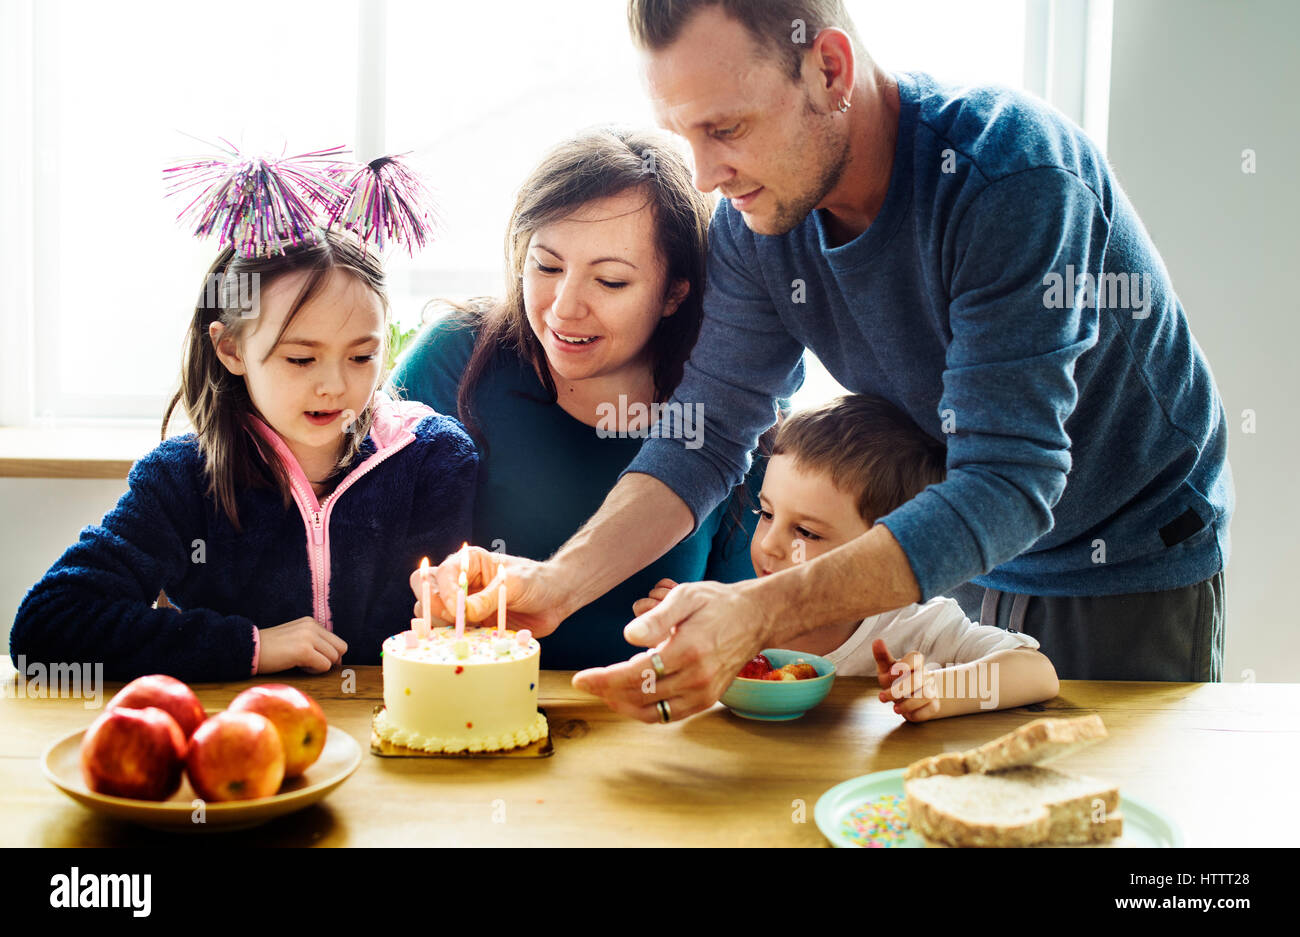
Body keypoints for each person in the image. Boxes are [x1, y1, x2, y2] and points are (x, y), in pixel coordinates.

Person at [422, 0, 1233, 723]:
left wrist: (757, 611)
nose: (704, 176)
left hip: (1129, 556)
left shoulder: (1010, 179)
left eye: (727, 128)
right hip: (963, 549)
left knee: (1108, 816)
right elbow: (702, 438)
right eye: (685, 136)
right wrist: (556, 587)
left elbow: (1009, 483)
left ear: (830, 67)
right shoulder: (754, 226)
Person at [10, 228, 478, 681]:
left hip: (393, 740)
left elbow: (458, 637)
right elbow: (45, 627)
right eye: (300, 358)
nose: (335, 387)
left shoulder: (434, 460)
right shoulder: (182, 479)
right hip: (231, 741)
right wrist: (250, 646)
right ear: (231, 349)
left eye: (361, 357)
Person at [392, 127, 765, 669]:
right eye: (546, 266)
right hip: (461, 711)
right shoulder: (456, 357)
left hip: (645, 729)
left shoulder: (730, 403)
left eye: (610, 281)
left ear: (674, 293)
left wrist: (709, 638)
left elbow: (754, 639)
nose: (565, 309)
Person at [634, 395, 1060, 721]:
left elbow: (1037, 672)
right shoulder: (729, 616)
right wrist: (674, 643)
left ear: (888, 546)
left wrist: (940, 690)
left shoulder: (913, 627)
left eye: (807, 532)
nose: (769, 546)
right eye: (765, 514)